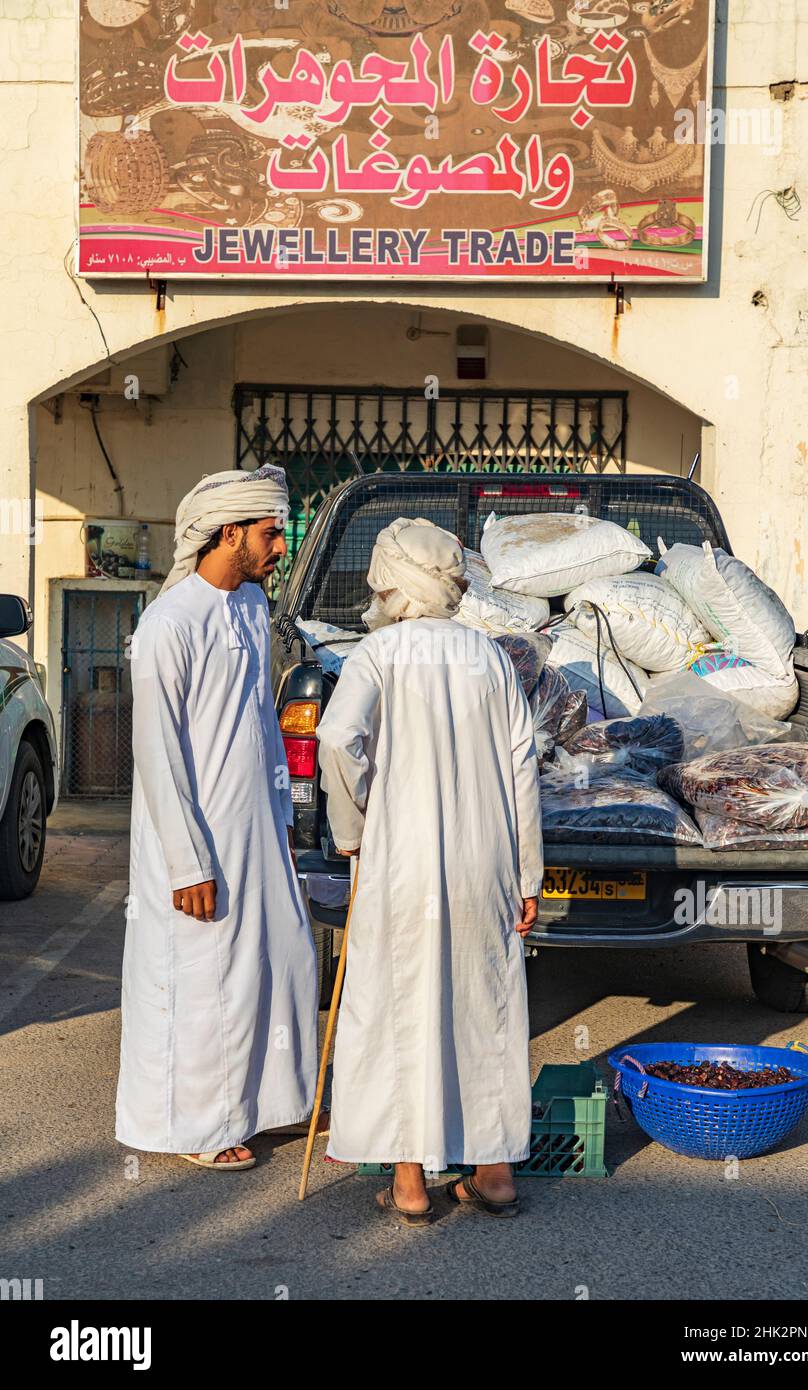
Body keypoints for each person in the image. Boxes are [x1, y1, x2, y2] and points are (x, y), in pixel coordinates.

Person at [316, 517, 543, 1222]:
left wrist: (351, 830)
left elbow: (335, 739)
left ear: (394, 584)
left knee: (398, 1010)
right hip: (486, 863)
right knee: (485, 1011)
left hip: (400, 865)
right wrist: (529, 875)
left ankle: (410, 1185)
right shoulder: (489, 658)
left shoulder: (375, 656)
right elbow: (522, 770)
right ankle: (494, 1174)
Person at [115, 465, 319, 1170]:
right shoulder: (169, 623)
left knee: (279, 959)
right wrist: (187, 862)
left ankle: (266, 1105)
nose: (280, 548)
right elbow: (157, 752)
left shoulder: (252, 610)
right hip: (195, 838)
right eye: (271, 534)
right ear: (229, 533)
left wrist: (282, 825)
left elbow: (260, 728)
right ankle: (199, 1127)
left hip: (257, 828)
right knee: (206, 978)